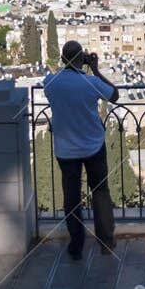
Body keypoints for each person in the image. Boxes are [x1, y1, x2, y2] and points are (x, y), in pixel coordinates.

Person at [41, 40, 119, 259]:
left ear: (63, 59)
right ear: (81, 59)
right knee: (100, 192)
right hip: (93, 145)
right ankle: (106, 240)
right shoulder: (90, 82)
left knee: (71, 198)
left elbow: (54, 81)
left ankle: (76, 245)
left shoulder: (51, 82)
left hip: (65, 150)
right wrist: (94, 69)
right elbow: (114, 95)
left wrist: (70, 64)